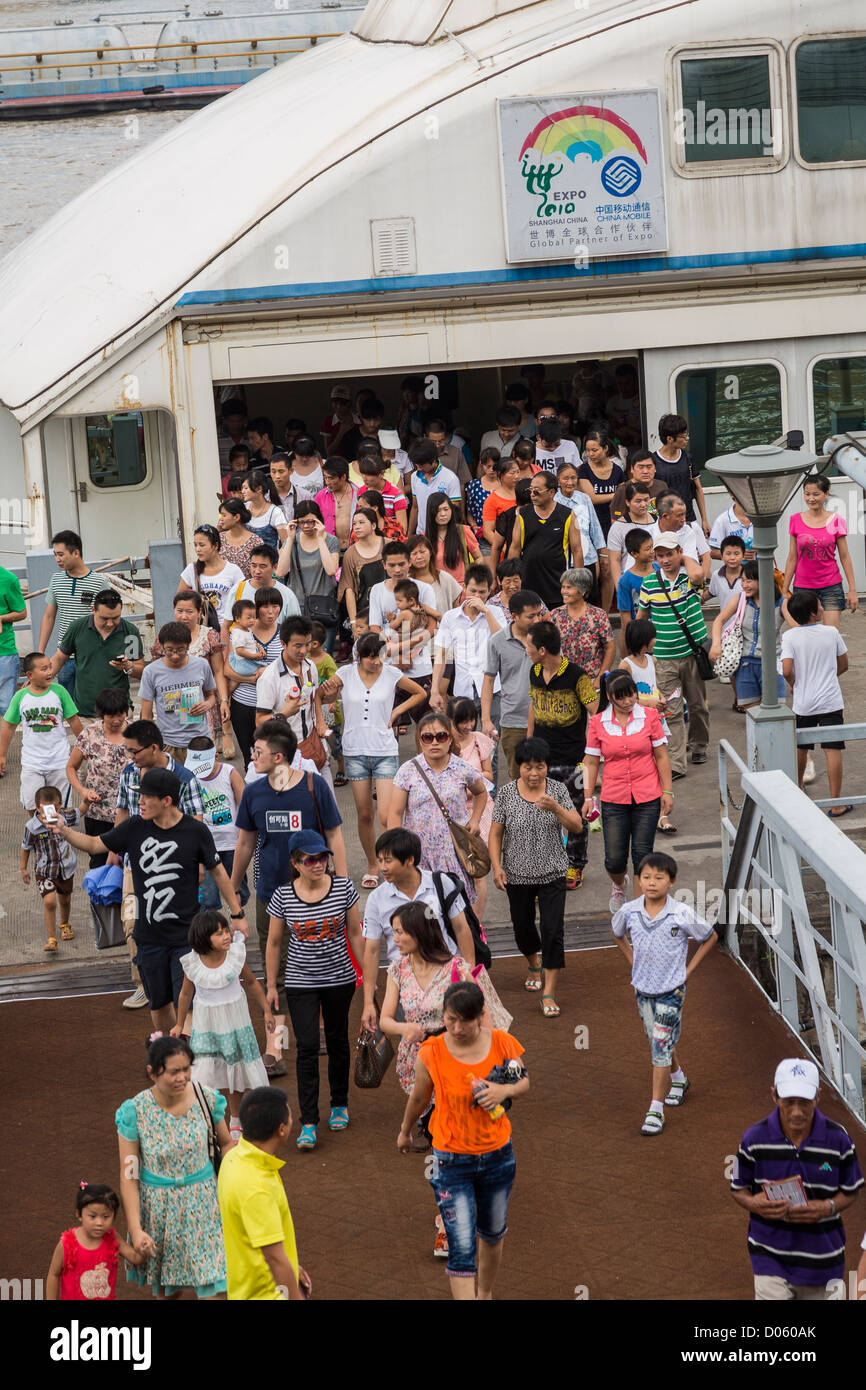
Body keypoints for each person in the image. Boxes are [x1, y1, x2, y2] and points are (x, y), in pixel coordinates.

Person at [66, 767, 246, 1029]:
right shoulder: (134, 827)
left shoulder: (195, 831)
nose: (139, 801)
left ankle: (189, 1062)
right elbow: (95, 845)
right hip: (148, 939)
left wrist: (237, 914)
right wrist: (62, 830)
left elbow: (218, 872)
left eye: (145, 797)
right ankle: (168, 1056)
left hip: (186, 937)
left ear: (167, 801)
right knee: (158, 1004)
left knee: (188, 1004)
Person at [381, 901, 510, 1250]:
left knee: (449, 1145)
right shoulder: (397, 969)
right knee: (441, 1143)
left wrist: (489, 1062)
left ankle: (448, 1219)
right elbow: (384, 1019)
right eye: (393, 931)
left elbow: (483, 1016)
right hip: (421, 1062)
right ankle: (458, 1208)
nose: (395, 938)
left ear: (420, 932)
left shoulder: (457, 968)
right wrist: (403, 1027)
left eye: (401, 932)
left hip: (461, 1062)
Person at [397, 981, 529, 1301]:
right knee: (461, 1247)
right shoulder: (432, 1051)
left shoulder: (502, 1043)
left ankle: (484, 1293)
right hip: (451, 1160)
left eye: (464, 1021)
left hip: (497, 1156)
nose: (455, 1028)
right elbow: (418, 1098)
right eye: (450, 1019)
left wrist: (504, 1091)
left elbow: (523, 1079)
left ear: (481, 1016)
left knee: (493, 1234)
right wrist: (405, 1130)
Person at [231, 721, 346, 1078]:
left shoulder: (314, 787)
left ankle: (324, 1030)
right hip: (271, 895)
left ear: (278, 757)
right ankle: (276, 1046)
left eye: (258, 751)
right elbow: (245, 843)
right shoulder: (253, 792)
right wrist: (233, 888)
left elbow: (335, 836)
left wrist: (339, 885)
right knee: (274, 970)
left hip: (316, 893)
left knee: (323, 960)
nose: (252, 755)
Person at [730, 1057, 864, 1300]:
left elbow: (852, 1189)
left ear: (818, 1097)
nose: (796, 1112)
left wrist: (827, 1207)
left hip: (823, 1261)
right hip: (769, 1255)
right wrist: (753, 1203)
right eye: (788, 1102)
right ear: (774, 1096)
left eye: (805, 1103)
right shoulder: (751, 1139)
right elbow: (738, 1187)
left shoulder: (840, 1140)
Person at [265, 830, 362, 1150]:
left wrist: (372, 980)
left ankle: (339, 1103)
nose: (319, 864)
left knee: (337, 1041)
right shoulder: (283, 896)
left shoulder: (343, 888)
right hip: (300, 982)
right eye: (311, 859)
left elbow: (356, 934)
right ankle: (308, 1121)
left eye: (322, 857)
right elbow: (274, 942)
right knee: (306, 1046)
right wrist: (270, 985)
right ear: (295, 863)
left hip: (339, 979)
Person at [115, 1035, 230, 1299]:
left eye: (187, 1069)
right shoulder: (135, 1111)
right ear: (153, 1073)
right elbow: (129, 1176)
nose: (182, 1077)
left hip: (205, 1205)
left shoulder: (207, 1099)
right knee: (168, 1292)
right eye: (174, 1071)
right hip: (159, 1211)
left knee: (214, 1285)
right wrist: (135, 1228)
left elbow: (226, 1144)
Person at [611, 852, 717, 1135]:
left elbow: (710, 937)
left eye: (659, 878)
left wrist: (687, 971)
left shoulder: (680, 913)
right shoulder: (629, 911)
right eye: (646, 877)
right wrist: (631, 958)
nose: (652, 883)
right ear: (639, 880)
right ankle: (679, 1079)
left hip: (672, 991)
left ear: (671, 882)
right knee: (660, 1041)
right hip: (643, 990)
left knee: (659, 1046)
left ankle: (655, 1110)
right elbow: (617, 933)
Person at [319, 633, 426, 886]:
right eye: (369, 657)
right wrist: (326, 698)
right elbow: (323, 698)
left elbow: (419, 693)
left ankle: (391, 864)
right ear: (358, 657)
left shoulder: (391, 673)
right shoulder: (345, 674)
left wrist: (397, 711)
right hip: (355, 750)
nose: (375, 662)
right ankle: (373, 865)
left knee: (387, 816)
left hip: (385, 750)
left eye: (378, 656)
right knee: (364, 814)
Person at [489, 736, 583, 1015]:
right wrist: (497, 867)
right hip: (517, 874)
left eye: (539, 767)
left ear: (547, 766)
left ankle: (549, 993)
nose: (533, 773)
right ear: (519, 767)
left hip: (553, 871)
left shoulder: (557, 790)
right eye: (528, 767)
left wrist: (556, 808)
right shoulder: (506, 794)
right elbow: (495, 833)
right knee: (523, 928)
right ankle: (533, 962)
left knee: (553, 931)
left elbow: (576, 825)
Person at [361, 828, 478, 1032]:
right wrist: (368, 1001)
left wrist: (470, 977)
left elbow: (461, 929)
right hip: (407, 984)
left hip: (446, 977)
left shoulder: (440, 883)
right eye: (379, 861)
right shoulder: (376, 898)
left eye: (388, 861)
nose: (382, 867)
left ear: (409, 860)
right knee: (413, 1041)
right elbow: (371, 949)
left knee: (455, 1037)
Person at [172, 909, 271, 1139]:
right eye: (219, 933)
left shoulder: (235, 956)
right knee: (205, 1073)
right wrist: (179, 1024)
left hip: (235, 1021)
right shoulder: (193, 963)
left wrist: (267, 1010)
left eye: (226, 930)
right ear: (204, 938)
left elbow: (252, 982)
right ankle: (211, 1119)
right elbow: (185, 995)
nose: (227, 936)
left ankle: (235, 1118)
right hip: (207, 1024)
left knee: (235, 1069)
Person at [583, 669, 674, 910]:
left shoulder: (649, 716)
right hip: (614, 797)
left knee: (642, 857)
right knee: (614, 860)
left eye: (631, 695)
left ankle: (638, 910)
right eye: (621, 698)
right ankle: (619, 884)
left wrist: (668, 791)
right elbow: (591, 762)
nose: (627, 702)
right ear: (610, 697)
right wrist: (588, 797)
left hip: (648, 796)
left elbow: (662, 756)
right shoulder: (597, 723)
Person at [218, 1086, 311, 1300]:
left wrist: (292, 1266)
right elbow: (274, 1258)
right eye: (289, 1114)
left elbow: (266, 1242)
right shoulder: (257, 1187)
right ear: (281, 1129)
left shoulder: (233, 1158)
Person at [388, 710, 488, 907]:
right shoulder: (407, 771)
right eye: (428, 737)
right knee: (424, 909)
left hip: (454, 851)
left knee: (457, 907)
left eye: (441, 736)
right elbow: (395, 813)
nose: (434, 742)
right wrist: (396, 848)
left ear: (449, 739)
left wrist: (475, 820)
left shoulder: (462, 768)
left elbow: (482, 792)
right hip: (419, 851)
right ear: (420, 740)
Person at [525, 619, 598, 891]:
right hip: (541, 761)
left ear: (542, 649)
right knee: (539, 815)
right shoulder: (534, 671)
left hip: (574, 761)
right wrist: (528, 743)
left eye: (530, 646)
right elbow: (534, 705)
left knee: (577, 816)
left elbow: (596, 713)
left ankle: (575, 865)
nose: (527, 650)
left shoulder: (577, 676)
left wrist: (593, 756)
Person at [636, 536, 710, 775]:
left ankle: (699, 745)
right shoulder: (649, 583)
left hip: (692, 655)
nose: (665, 560)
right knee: (671, 710)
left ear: (680, 552)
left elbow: (699, 576)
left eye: (669, 554)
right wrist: (641, 652)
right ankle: (677, 764)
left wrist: (685, 556)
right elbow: (642, 618)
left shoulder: (690, 577)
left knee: (698, 706)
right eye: (660, 555)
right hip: (664, 659)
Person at [781, 590, 850, 811]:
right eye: (819, 606)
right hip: (830, 700)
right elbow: (844, 664)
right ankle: (836, 803)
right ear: (812, 613)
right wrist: (830, 676)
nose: (822, 608)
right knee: (833, 749)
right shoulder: (831, 633)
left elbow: (786, 670)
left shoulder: (790, 637)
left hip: (804, 702)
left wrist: (794, 683)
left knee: (801, 747)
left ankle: (799, 790)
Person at [152, 589, 233, 757]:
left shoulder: (210, 636)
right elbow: (156, 673)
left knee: (202, 753)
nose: (184, 616)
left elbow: (218, 671)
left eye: (189, 611)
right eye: (179, 611)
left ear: (199, 612)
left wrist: (223, 700)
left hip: (202, 703)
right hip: (172, 704)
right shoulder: (164, 636)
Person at [0, 650, 83, 810]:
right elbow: (8, 727)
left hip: (59, 761)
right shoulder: (20, 697)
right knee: (32, 805)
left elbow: (74, 720)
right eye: (44, 669)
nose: (50, 672)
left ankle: (59, 834)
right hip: (32, 762)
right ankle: (37, 832)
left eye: (50, 667)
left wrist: (85, 748)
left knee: (61, 805)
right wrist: (2, 754)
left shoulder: (59, 692)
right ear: (30, 675)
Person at [49, 589, 145, 719]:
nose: (110, 623)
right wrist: (39, 681)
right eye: (104, 618)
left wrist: (128, 667)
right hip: (85, 712)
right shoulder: (77, 627)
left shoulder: (130, 632)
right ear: (93, 610)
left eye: (116, 618)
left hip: (119, 711)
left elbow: (141, 671)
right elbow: (59, 658)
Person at [254, 616, 330, 776]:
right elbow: (260, 720)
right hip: (286, 753)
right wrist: (284, 714)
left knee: (324, 796)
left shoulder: (311, 667)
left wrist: (320, 722)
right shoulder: (269, 678)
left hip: (312, 743)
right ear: (283, 643)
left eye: (307, 644)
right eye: (297, 646)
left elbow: (314, 696)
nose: (304, 651)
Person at [482, 589, 543, 780]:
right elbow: (489, 680)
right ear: (514, 616)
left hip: (545, 718)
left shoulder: (546, 636)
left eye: (539, 614)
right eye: (531, 616)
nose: (537, 620)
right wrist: (485, 719)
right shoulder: (497, 641)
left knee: (546, 776)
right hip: (513, 720)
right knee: (518, 778)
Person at [709, 561, 786, 713]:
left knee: (776, 713)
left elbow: (796, 627)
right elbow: (719, 620)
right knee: (752, 715)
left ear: (763, 579)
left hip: (772, 665)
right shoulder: (741, 598)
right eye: (742, 580)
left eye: (749, 581)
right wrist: (716, 644)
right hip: (745, 665)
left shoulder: (781, 602)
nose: (744, 585)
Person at [783, 474, 858, 629]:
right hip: (803, 587)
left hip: (831, 585)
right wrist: (785, 588)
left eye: (816, 494)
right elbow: (792, 557)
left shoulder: (836, 520)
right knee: (804, 635)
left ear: (826, 494)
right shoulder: (795, 520)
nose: (811, 498)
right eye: (807, 494)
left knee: (831, 636)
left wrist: (852, 590)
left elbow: (845, 557)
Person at [45, 1183, 144, 1301]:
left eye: (106, 1216)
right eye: (92, 1216)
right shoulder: (67, 1244)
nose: (99, 1223)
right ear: (79, 1214)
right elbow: (53, 1275)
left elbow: (135, 1258)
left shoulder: (113, 1238)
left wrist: (144, 1248)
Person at [65, 686, 131, 863]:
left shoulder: (136, 733)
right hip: (98, 813)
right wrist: (82, 791)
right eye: (111, 716)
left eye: (121, 714)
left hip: (130, 814)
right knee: (99, 864)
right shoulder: (90, 734)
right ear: (102, 714)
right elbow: (71, 767)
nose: (117, 720)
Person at [431, 565, 503, 722]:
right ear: (464, 587)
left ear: (490, 591)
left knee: (490, 742)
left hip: (492, 689)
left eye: (482, 592)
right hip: (463, 689)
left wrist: (487, 612)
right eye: (472, 591)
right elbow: (441, 655)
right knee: (461, 742)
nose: (476, 596)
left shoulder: (496, 613)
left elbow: (502, 642)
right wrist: (434, 690)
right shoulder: (450, 617)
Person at [184, 735, 250, 910]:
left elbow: (245, 806)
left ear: (215, 757)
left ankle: (237, 921)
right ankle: (212, 932)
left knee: (238, 890)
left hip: (230, 844)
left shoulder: (229, 773)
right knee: (207, 897)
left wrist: (244, 838)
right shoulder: (189, 779)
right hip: (205, 847)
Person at [225, 587, 284, 772]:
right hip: (243, 704)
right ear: (256, 609)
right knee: (250, 759)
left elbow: (290, 665)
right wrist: (251, 680)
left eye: (275, 606)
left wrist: (266, 669)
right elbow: (228, 669)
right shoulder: (242, 631)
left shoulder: (284, 633)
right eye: (265, 606)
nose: (270, 611)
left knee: (276, 759)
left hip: (273, 706)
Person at [448, 697, 495, 924]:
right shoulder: (441, 742)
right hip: (452, 816)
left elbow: (488, 775)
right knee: (454, 871)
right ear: (451, 720)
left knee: (477, 871)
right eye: (462, 721)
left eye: (471, 720)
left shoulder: (479, 741)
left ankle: (476, 924)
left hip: (479, 811)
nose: (468, 726)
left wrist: (467, 789)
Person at [139, 622, 217, 761]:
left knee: (204, 782)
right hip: (169, 744)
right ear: (162, 646)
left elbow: (211, 696)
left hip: (200, 741)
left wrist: (207, 705)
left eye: (180, 650)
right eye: (169, 650)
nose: (175, 656)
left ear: (188, 645)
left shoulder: (201, 665)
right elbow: (146, 715)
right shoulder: (151, 672)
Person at [508, 470, 583, 609]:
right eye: (530, 490)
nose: (532, 495)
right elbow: (515, 548)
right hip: (528, 583)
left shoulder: (567, 515)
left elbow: (577, 550)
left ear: (551, 492)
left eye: (536, 492)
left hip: (557, 583)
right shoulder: (523, 514)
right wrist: (511, 580)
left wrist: (578, 583)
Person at [22, 785, 82, 953]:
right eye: (45, 808)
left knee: (65, 900)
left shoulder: (63, 817)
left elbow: (80, 812)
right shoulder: (32, 826)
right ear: (37, 807)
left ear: (60, 806)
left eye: (54, 808)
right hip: (44, 871)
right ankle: (52, 938)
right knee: (49, 902)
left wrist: (87, 799)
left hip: (65, 868)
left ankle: (64, 923)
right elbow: (25, 847)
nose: (50, 812)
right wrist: (23, 868)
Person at [37, 530, 97, 698]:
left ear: (76, 553)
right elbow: (49, 616)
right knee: (68, 707)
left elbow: (106, 620)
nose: (58, 559)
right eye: (55, 555)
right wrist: (40, 652)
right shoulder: (56, 580)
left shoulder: (99, 582)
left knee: (93, 707)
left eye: (61, 554)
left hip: (90, 657)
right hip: (63, 657)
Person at [277, 502, 341, 653]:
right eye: (302, 522)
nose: (306, 526)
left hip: (324, 607)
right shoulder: (293, 541)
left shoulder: (331, 540)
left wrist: (320, 538)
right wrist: (290, 538)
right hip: (298, 606)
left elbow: (331, 569)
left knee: (324, 656)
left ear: (318, 520)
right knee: (299, 655)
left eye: (310, 521)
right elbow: (280, 571)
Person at [548, 567, 615, 682]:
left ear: (583, 591)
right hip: (563, 680)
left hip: (592, 680)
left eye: (569, 587)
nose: (564, 591)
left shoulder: (598, 615)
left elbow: (610, 648)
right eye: (563, 587)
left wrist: (600, 677)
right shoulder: (555, 615)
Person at [221, 544, 300, 639]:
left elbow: (296, 629)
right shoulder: (238, 590)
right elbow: (226, 626)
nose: (257, 571)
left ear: (275, 567)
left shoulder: (287, 594)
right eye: (253, 566)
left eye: (262, 566)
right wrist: (226, 653)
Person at [368, 540, 439, 635]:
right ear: (384, 565)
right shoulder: (377, 590)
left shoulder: (424, 589)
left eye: (401, 564)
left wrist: (404, 646)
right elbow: (374, 626)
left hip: (418, 644)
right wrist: (388, 644)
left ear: (409, 562)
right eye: (392, 565)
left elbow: (431, 627)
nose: (397, 570)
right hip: (387, 644)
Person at [652, 414, 708, 533]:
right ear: (669, 439)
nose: (687, 439)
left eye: (687, 434)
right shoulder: (653, 461)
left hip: (689, 520)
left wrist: (704, 520)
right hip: (665, 524)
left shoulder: (688, 458)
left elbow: (698, 488)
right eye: (683, 436)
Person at [179, 526, 246, 625]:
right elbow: (180, 601)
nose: (197, 549)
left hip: (228, 628)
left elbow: (243, 601)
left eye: (202, 545)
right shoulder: (191, 570)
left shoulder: (233, 571)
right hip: (202, 629)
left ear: (215, 546)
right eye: (195, 545)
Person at [577, 429, 626, 564]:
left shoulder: (617, 470)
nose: (590, 454)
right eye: (587, 450)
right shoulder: (583, 470)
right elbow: (592, 498)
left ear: (605, 448)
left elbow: (623, 499)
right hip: (591, 523)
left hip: (612, 522)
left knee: (610, 565)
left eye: (594, 450)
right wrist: (616, 494)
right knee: (597, 564)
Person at [339, 507, 385, 631]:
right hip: (364, 613)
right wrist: (354, 622)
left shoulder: (389, 546)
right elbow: (349, 589)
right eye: (354, 524)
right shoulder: (350, 554)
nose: (357, 527)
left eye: (361, 522)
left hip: (391, 611)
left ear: (374, 525)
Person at [407, 439, 463, 536]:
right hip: (422, 534)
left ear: (433, 461)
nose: (418, 468)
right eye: (416, 465)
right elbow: (415, 507)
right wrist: (409, 535)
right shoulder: (414, 477)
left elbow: (455, 512)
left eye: (422, 465)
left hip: (443, 536)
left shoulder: (451, 478)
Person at [606, 482, 655, 591]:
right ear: (628, 502)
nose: (643, 504)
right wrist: (620, 589)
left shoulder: (658, 522)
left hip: (656, 583)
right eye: (638, 501)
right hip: (631, 583)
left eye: (646, 500)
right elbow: (614, 561)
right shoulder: (618, 527)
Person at [425, 495, 481, 587]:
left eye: (446, 509)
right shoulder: (425, 538)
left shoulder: (463, 531)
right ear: (431, 512)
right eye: (438, 510)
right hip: (437, 589)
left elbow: (479, 557)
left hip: (462, 589)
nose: (443, 514)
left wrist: (471, 578)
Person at [407, 535, 461, 616]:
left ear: (430, 552)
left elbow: (456, 609)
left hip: (444, 627)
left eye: (422, 552)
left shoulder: (445, 578)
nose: (419, 557)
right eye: (414, 554)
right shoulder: (406, 582)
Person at [315, 457, 360, 552]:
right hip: (329, 549)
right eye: (325, 477)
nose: (327, 482)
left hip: (355, 548)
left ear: (343, 477)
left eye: (331, 478)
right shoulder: (321, 496)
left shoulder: (359, 495)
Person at [609, 449, 667, 522]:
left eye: (649, 467)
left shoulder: (662, 485)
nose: (645, 471)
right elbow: (616, 520)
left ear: (655, 468)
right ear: (632, 469)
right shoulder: (623, 490)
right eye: (641, 467)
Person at [616, 529, 655, 636]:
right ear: (634, 554)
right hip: (641, 635)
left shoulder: (661, 571)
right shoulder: (625, 581)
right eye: (647, 549)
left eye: (652, 546)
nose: (652, 551)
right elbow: (626, 621)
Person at [481, 455, 519, 563]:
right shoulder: (492, 500)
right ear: (501, 475)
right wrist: (503, 547)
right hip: (505, 552)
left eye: (518, 472)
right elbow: (487, 531)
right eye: (512, 473)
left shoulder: (522, 493)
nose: (516, 476)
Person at [356, 454, 408, 533]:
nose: (364, 478)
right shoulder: (361, 491)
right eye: (362, 473)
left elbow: (402, 528)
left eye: (368, 474)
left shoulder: (396, 494)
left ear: (381, 473)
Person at [0, 561, 25, 715]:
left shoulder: (8, 579)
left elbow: (21, 612)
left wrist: (1, 618)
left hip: (4, 652)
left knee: (5, 707)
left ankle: (4, 740)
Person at [216, 498, 259, 578]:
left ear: (236, 517)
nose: (221, 519)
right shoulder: (219, 539)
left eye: (224, 515)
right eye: (221, 515)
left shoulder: (255, 541)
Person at [465, 448, 500, 539]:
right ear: (482, 465)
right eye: (488, 466)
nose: (492, 469)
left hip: (503, 534)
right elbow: (469, 512)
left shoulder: (505, 483)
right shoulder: (474, 485)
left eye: (494, 466)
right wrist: (473, 525)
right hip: (481, 534)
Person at [340, 397, 386, 464]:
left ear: (381, 419)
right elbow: (345, 463)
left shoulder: (387, 438)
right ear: (361, 417)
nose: (372, 424)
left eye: (376, 420)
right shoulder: (350, 437)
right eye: (368, 419)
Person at [707, 535, 746, 609]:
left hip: (746, 620)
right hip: (725, 620)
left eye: (736, 554)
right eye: (728, 554)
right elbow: (710, 593)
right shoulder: (716, 575)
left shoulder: (749, 575)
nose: (732, 558)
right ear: (721, 556)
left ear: (743, 556)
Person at [321, 381, 356, 457]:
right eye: (335, 403)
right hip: (335, 465)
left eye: (342, 403)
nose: (339, 407)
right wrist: (341, 432)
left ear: (349, 404)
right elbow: (329, 452)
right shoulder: (328, 421)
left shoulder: (359, 421)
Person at [289, 436, 326, 503]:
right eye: (301, 455)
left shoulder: (324, 465)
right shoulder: (286, 467)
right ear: (294, 452)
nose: (304, 459)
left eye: (308, 455)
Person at [217, 398, 249, 476]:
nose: (235, 425)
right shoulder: (216, 438)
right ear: (224, 420)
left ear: (245, 419)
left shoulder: (251, 437)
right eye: (232, 421)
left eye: (239, 421)